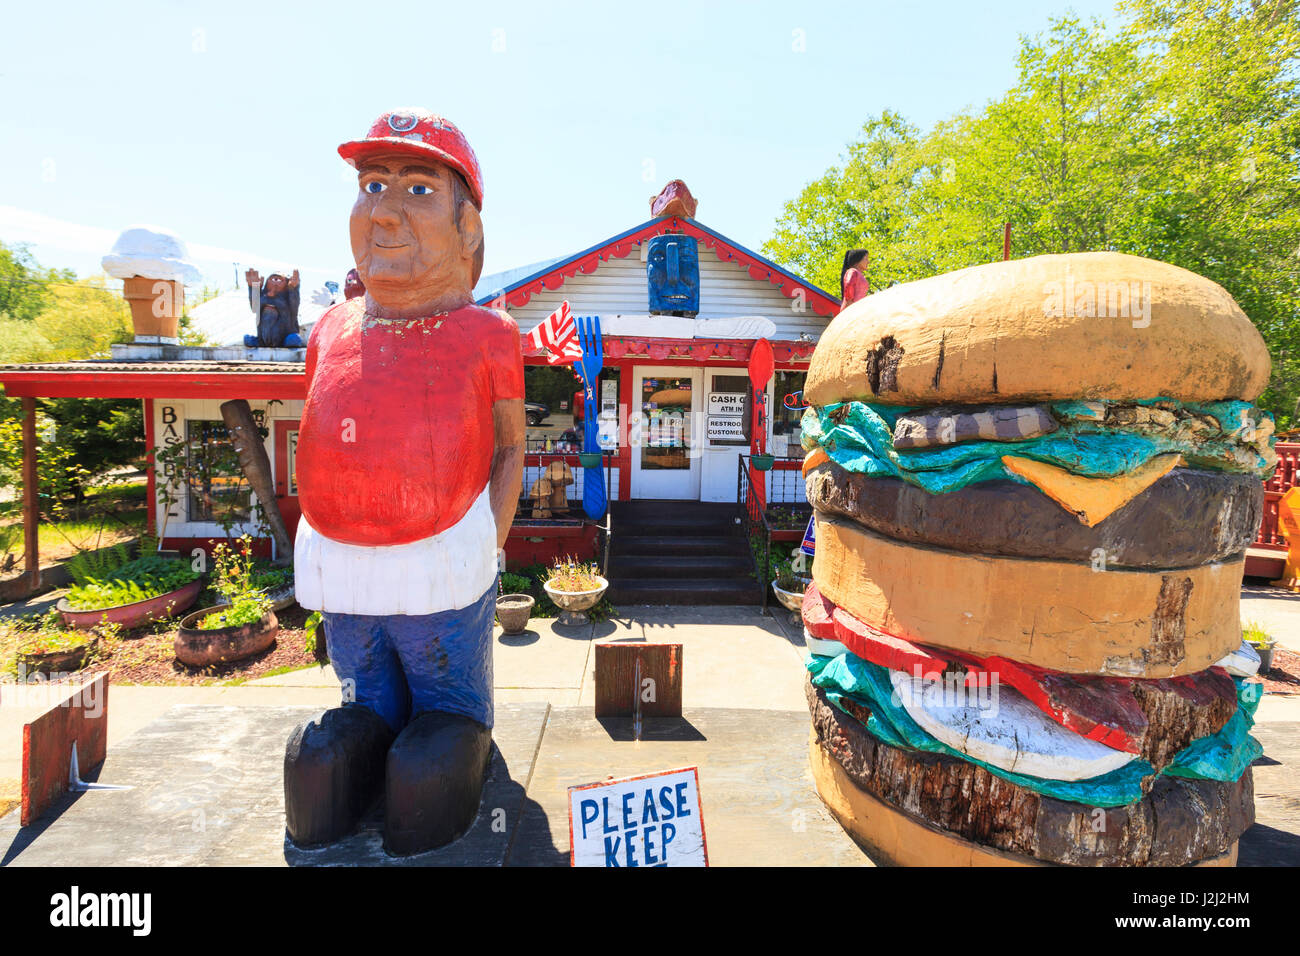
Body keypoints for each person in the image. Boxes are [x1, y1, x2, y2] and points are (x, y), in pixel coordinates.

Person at [283, 108, 525, 855]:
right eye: (371, 185)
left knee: (436, 731)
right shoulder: (329, 328)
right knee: (338, 736)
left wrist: (489, 540)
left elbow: (512, 448)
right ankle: (367, 732)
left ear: (468, 231)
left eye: (418, 189)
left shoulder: (489, 334)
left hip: (443, 561)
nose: (384, 211)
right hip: (340, 562)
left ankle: (454, 730)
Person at [244, 269, 305, 347]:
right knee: (247, 339)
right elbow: (254, 307)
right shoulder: (263, 297)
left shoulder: (287, 298)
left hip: (284, 336)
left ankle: (285, 341)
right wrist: (253, 287)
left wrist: (293, 289)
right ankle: (261, 341)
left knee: (293, 339)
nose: (275, 282)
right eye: (273, 279)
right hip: (263, 336)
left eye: (280, 280)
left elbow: (294, 306)